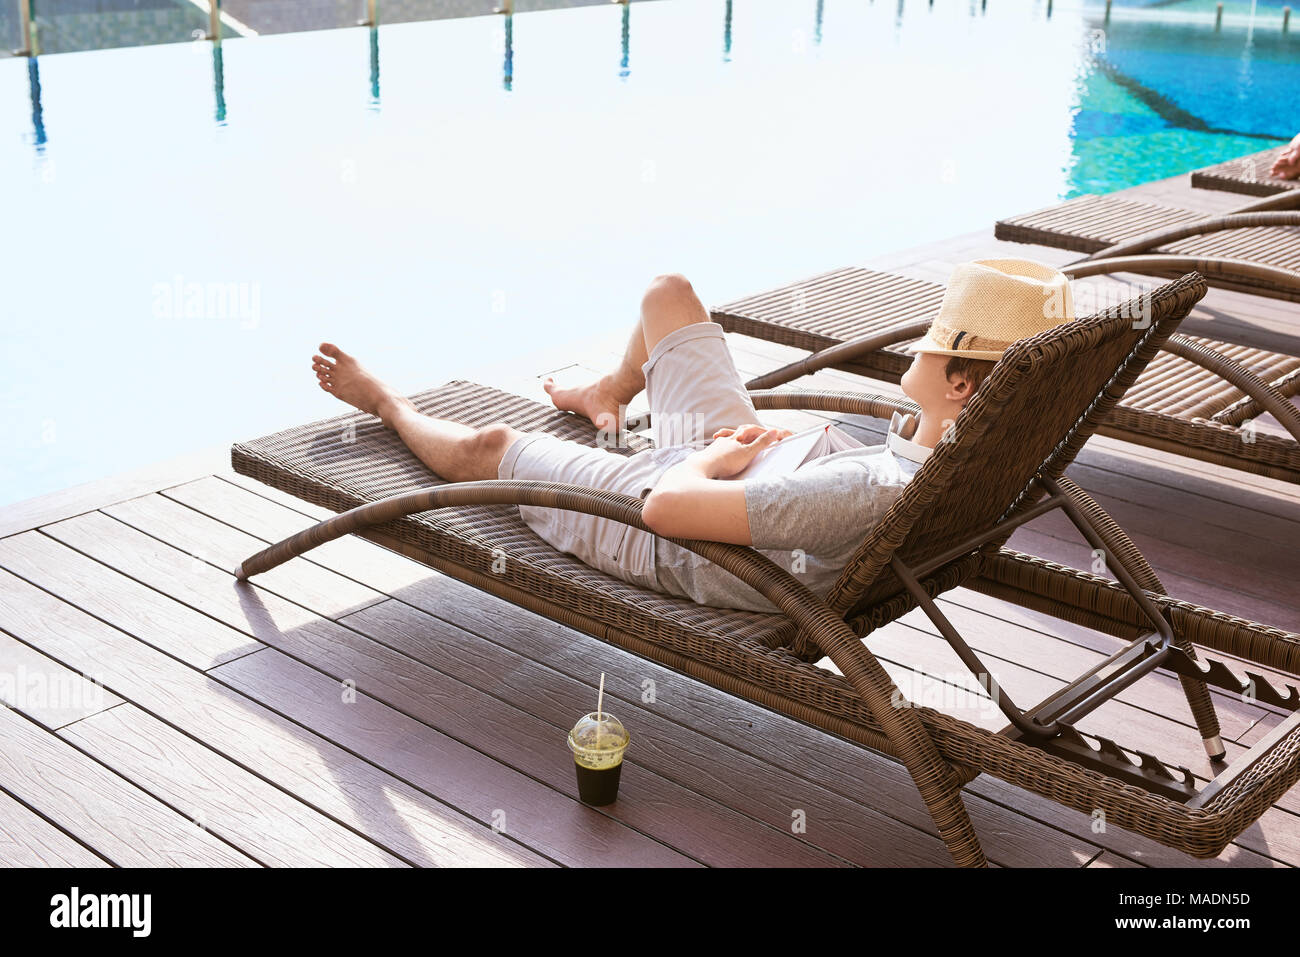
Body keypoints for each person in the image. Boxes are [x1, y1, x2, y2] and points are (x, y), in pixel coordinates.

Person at [310, 259, 1074, 613]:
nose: (918, 345)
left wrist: (714, 457)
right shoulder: (955, 451)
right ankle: (608, 395)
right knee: (667, 293)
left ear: (960, 383)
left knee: (492, 444)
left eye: (935, 340)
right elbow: (817, 495)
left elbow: (666, 510)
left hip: (671, 524)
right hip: (755, 463)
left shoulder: (868, 489)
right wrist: (780, 445)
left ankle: (386, 402)